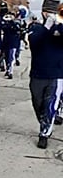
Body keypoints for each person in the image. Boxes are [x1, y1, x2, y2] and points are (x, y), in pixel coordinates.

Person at [27, 11, 63, 149]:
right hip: (38, 73)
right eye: (50, 12)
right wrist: (46, 27)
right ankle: (44, 123)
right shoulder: (37, 28)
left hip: (57, 74)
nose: (53, 15)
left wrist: (58, 24)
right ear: (43, 12)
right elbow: (33, 41)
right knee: (38, 103)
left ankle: (44, 133)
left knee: (50, 105)